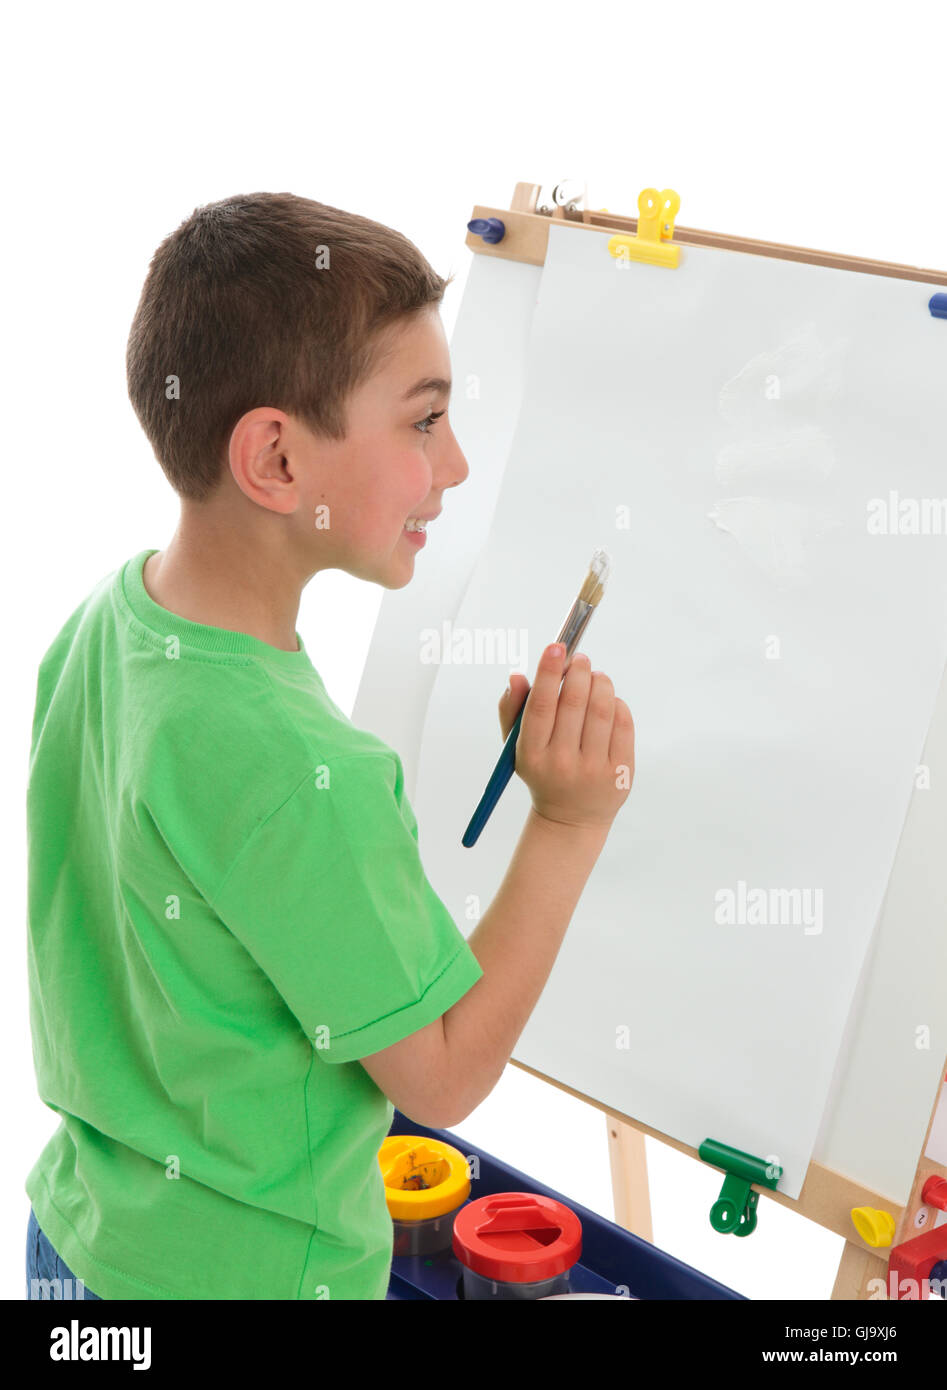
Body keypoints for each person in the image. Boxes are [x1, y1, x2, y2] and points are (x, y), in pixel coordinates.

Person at [24, 192, 635, 1299]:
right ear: (276, 460)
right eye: (420, 420)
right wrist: (565, 821)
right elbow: (439, 1076)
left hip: (80, 1243)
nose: (451, 465)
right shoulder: (300, 773)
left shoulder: (108, 623)